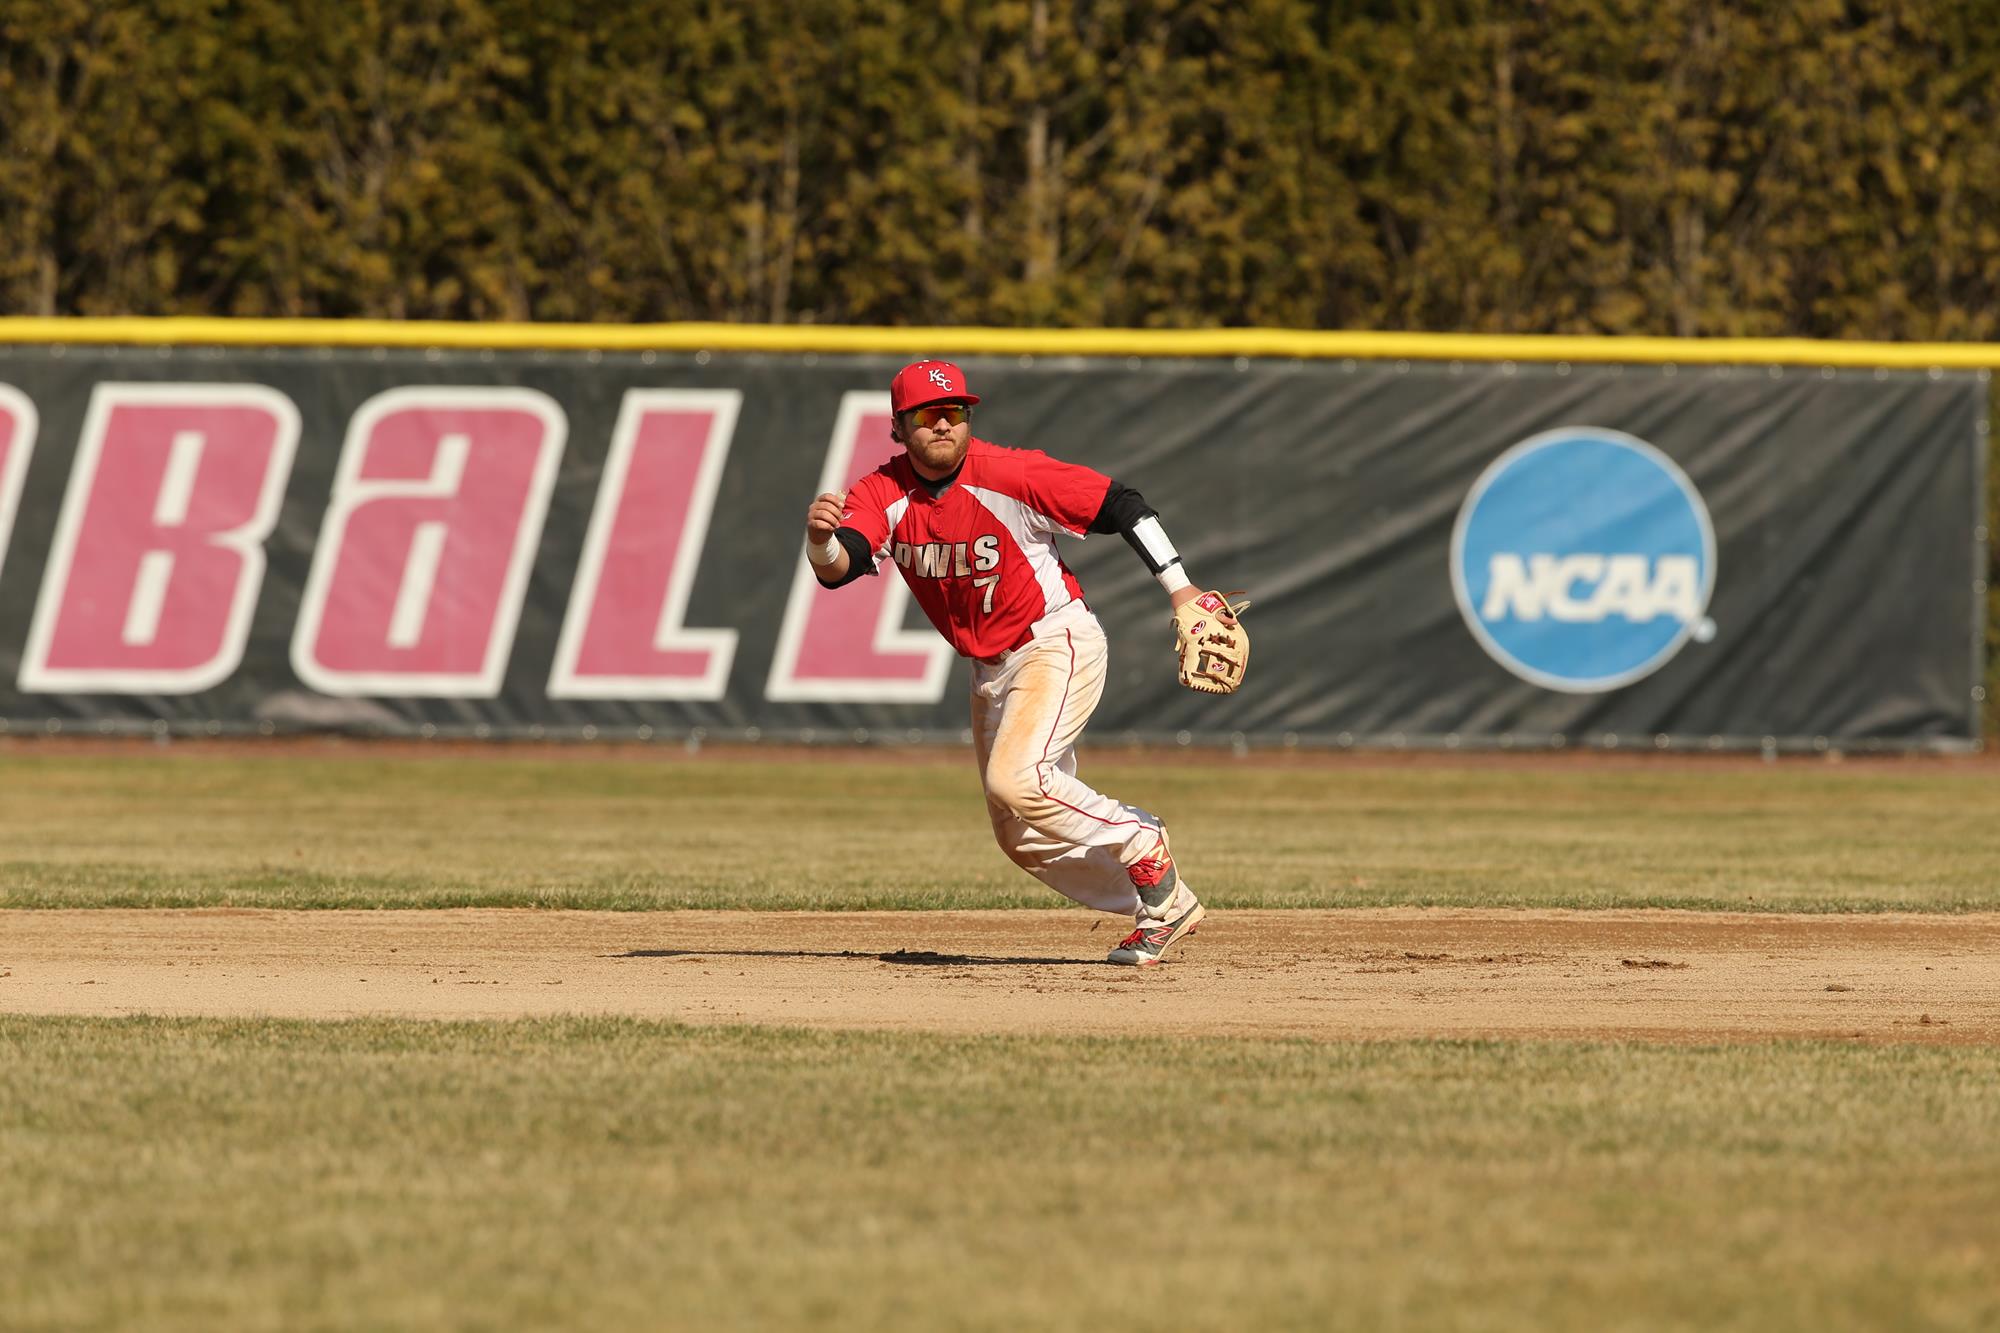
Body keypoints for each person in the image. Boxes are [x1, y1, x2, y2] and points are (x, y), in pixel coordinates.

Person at [801, 359, 1235, 966]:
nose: (946, 424)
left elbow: (1123, 503)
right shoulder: (882, 491)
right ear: (899, 427)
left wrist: (1181, 589)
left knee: (1016, 780)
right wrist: (822, 542)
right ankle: (1166, 902)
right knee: (1020, 835)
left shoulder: (1009, 472)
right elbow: (842, 566)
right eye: (929, 415)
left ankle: (1144, 844)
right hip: (989, 670)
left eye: (957, 412)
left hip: (1054, 641)